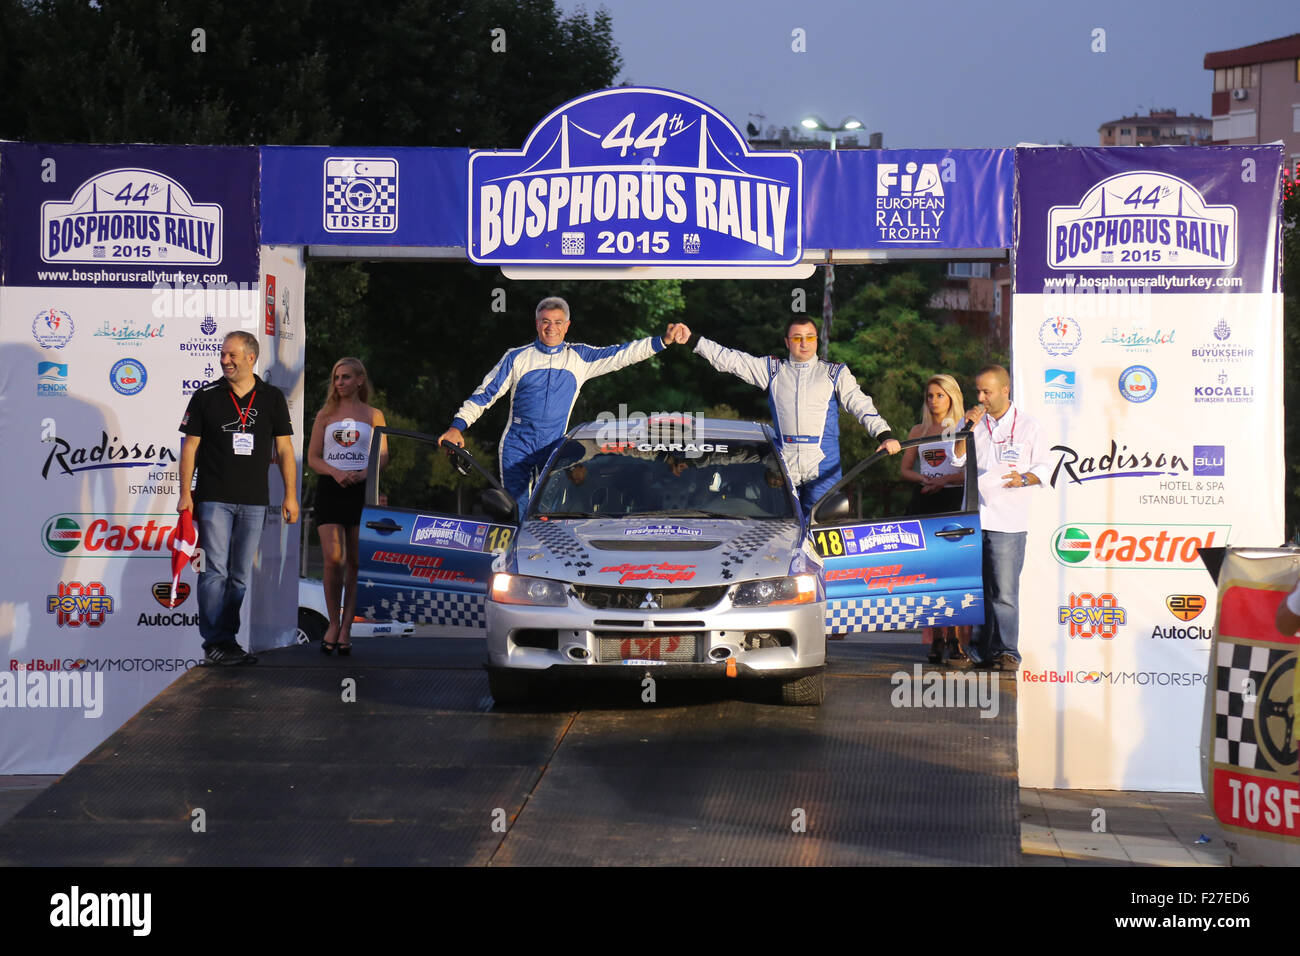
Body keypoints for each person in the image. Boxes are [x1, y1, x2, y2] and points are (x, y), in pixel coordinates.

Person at [437, 296, 688, 512]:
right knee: (518, 512)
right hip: (517, 446)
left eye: (558, 322)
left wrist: (662, 341)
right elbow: (485, 394)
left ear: (567, 326)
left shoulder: (580, 357)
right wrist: (457, 426)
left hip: (554, 447)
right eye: (545, 321)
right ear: (537, 324)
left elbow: (623, 354)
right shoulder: (516, 357)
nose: (551, 327)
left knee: (548, 513)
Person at [679, 318, 900, 511]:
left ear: (817, 340)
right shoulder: (772, 369)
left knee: (818, 535)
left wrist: (884, 435)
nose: (804, 343)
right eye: (797, 338)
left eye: (809, 337)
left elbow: (861, 404)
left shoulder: (835, 372)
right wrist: (693, 340)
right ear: (787, 342)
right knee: (782, 536)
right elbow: (730, 360)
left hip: (824, 467)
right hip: (783, 469)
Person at [178, 331, 298, 666]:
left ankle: (226, 640)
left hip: (255, 500)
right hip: (213, 496)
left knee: (240, 575)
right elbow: (190, 447)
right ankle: (216, 640)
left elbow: (285, 450)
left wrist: (290, 496)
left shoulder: (272, 397)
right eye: (223, 354)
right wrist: (185, 493)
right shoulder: (206, 396)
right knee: (215, 570)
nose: (225, 360)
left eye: (232, 355)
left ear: (250, 357)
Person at [956, 364, 1049, 671]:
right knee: (978, 591)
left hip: (1008, 521)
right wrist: (965, 427)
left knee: (1004, 593)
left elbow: (1046, 468)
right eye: (978, 391)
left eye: (987, 392)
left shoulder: (1029, 426)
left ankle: (1008, 651)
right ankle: (980, 652)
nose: (981, 397)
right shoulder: (973, 422)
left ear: (1005, 390)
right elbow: (956, 458)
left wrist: (1023, 479)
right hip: (975, 518)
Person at [307, 357, 387, 655]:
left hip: (361, 490)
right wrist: (336, 472)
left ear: (359, 380)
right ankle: (332, 621)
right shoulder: (325, 414)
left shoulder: (373, 414)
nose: (339, 383)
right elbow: (313, 457)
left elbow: (383, 455)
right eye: (336, 378)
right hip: (330, 488)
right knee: (333, 559)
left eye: (345, 377)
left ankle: (346, 628)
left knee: (355, 560)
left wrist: (365, 473)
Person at [900, 374, 970, 664]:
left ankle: (955, 638)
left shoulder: (963, 428)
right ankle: (936, 638)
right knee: (929, 574)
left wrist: (946, 480)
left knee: (953, 572)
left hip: (953, 501)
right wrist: (923, 477)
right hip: (925, 500)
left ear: (952, 396)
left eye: (940, 395)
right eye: (930, 395)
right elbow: (904, 469)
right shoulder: (919, 429)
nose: (934, 400)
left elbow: (970, 470)